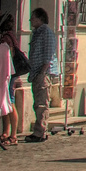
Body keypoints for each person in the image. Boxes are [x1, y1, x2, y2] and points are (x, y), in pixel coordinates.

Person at [25, 8, 57, 142]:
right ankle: (39, 130)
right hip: (36, 72)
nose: (31, 20)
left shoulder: (46, 33)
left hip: (42, 73)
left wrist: (43, 72)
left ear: (40, 19)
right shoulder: (37, 33)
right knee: (38, 103)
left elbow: (49, 54)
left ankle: (40, 132)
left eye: (33, 18)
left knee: (42, 104)